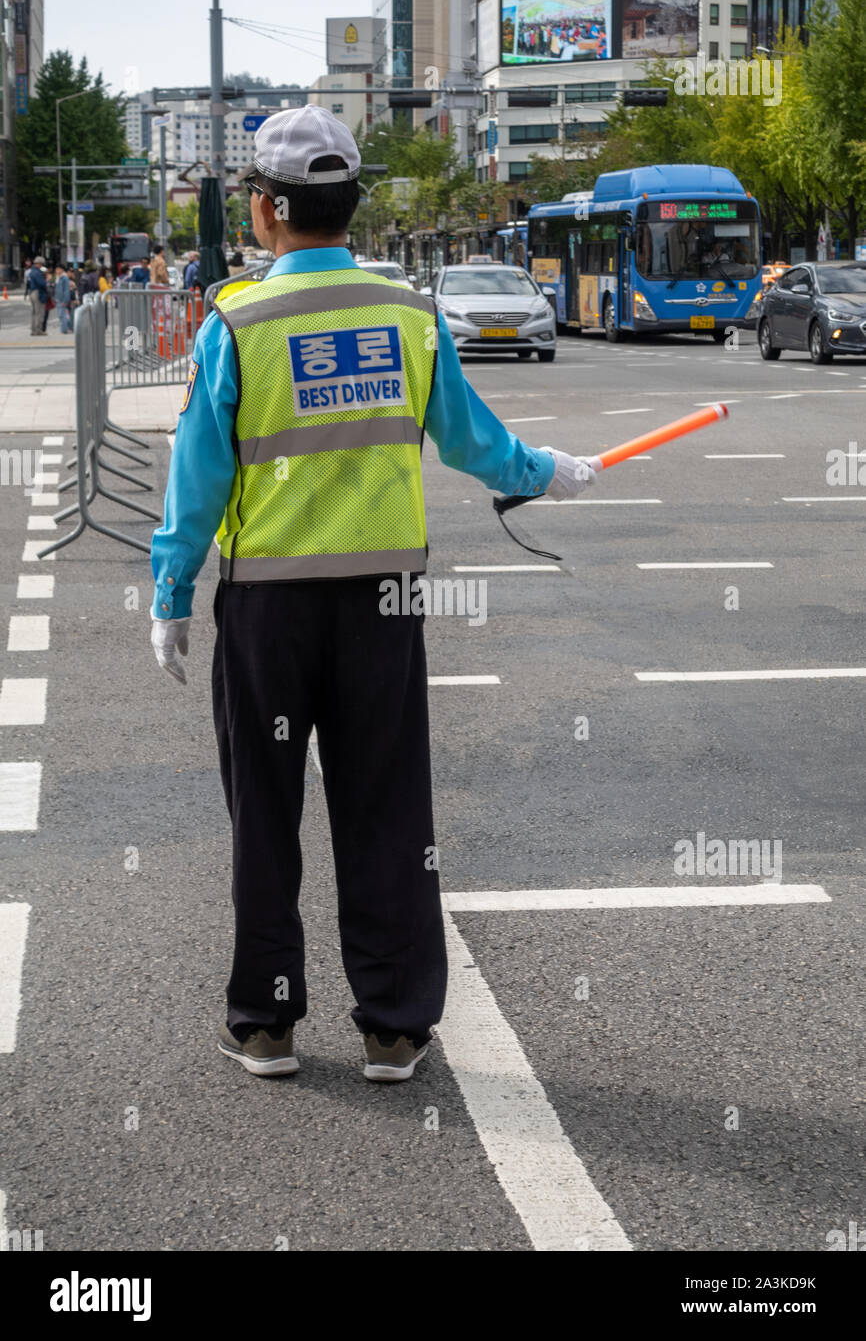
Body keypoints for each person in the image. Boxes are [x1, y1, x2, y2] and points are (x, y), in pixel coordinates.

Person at [149, 105, 596, 1084]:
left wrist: (169, 592)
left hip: (268, 608)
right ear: (350, 207)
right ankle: (393, 1026)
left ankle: (264, 1024)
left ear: (266, 211)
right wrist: (544, 469)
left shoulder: (238, 319)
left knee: (264, 813)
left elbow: (197, 480)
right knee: (387, 809)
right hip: (382, 605)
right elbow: (474, 441)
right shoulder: (405, 311)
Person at [25, 256, 48, 335]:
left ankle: (33, 330)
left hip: (32, 292)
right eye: (41, 264)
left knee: (34, 312)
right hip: (38, 292)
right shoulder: (37, 272)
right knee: (39, 312)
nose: (41, 266)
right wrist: (47, 281)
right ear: (38, 264)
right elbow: (42, 283)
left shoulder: (31, 271)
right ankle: (38, 330)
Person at [54, 264, 73, 333]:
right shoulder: (58, 277)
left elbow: (66, 290)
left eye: (58, 269)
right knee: (62, 315)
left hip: (62, 299)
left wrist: (65, 300)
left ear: (62, 269)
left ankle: (64, 330)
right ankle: (67, 328)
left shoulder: (64, 278)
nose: (56, 270)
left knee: (63, 315)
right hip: (58, 299)